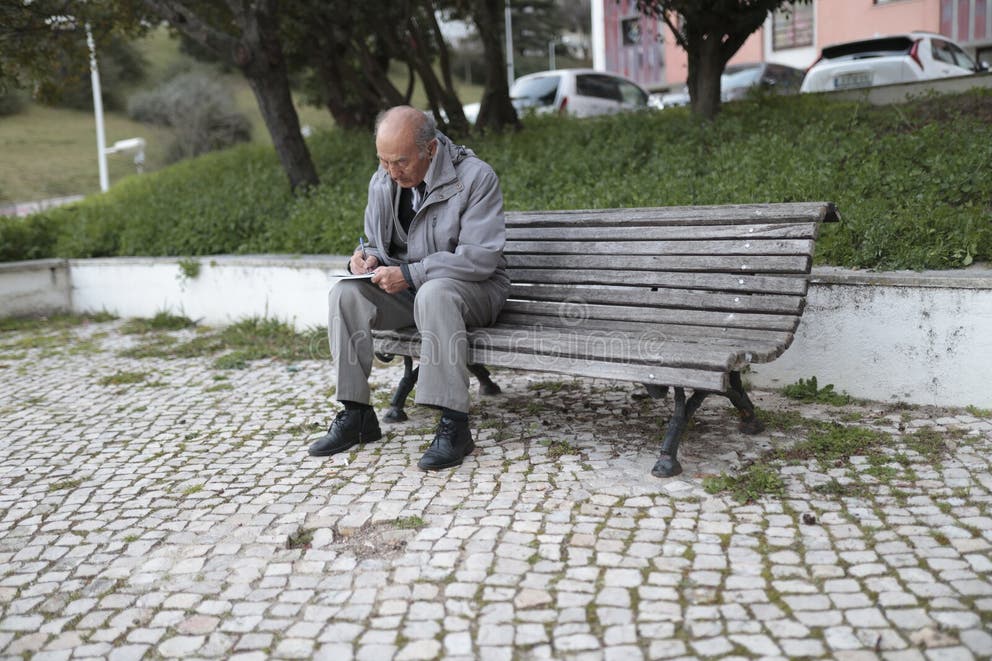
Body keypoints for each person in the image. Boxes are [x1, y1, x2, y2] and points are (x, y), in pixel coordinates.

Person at [309, 106, 510, 470]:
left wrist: (412, 274)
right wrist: (363, 258)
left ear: (430, 150)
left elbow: (479, 259)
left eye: (399, 161)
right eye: (383, 161)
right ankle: (356, 415)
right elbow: (374, 243)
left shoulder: (476, 178)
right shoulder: (383, 180)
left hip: (474, 291)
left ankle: (454, 425)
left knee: (435, 292)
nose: (390, 171)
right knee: (345, 294)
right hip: (413, 290)